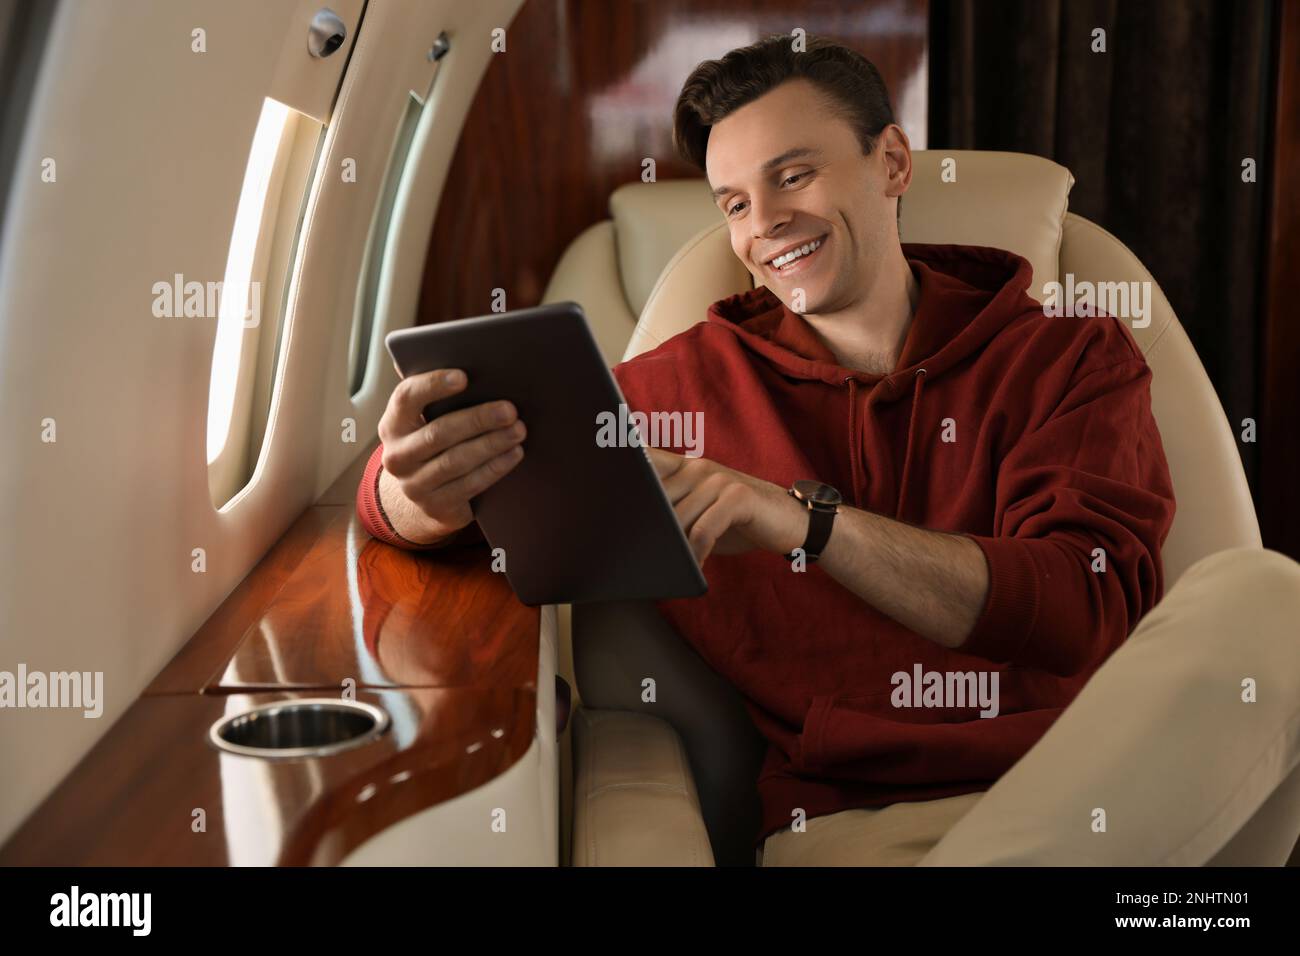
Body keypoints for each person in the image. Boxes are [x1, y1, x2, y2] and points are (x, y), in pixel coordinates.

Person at [357, 34, 1300, 867]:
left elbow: (1074, 613)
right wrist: (415, 494)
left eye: (794, 175)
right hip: (864, 833)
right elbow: (444, 502)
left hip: (1118, 806)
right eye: (733, 201)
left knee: (1273, 600)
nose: (762, 224)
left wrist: (805, 522)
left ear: (892, 161)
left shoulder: (1073, 358)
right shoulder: (674, 396)